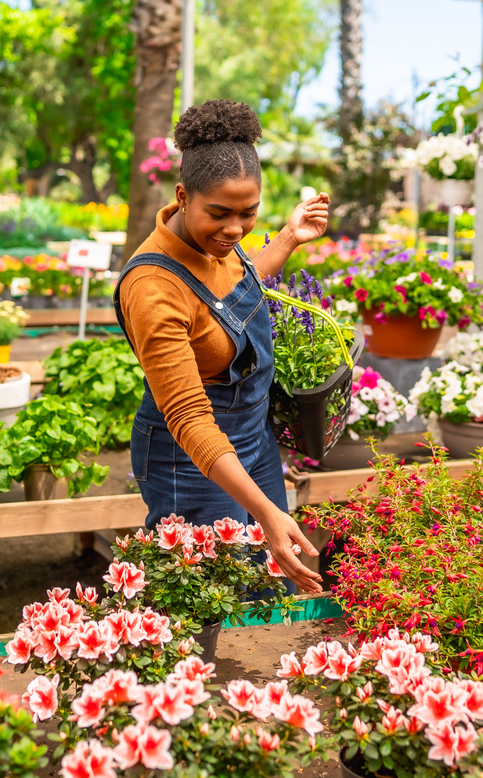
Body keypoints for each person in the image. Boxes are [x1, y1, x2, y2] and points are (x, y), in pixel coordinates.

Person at [115, 99, 331, 594]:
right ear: (183, 196)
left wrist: (287, 238)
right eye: (219, 214)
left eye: (248, 213)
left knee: (259, 587)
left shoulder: (216, 247)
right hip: (189, 459)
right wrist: (267, 513)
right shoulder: (153, 286)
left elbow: (232, 289)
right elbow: (189, 416)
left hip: (251, 442)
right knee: (208, 599)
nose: (234, 230)